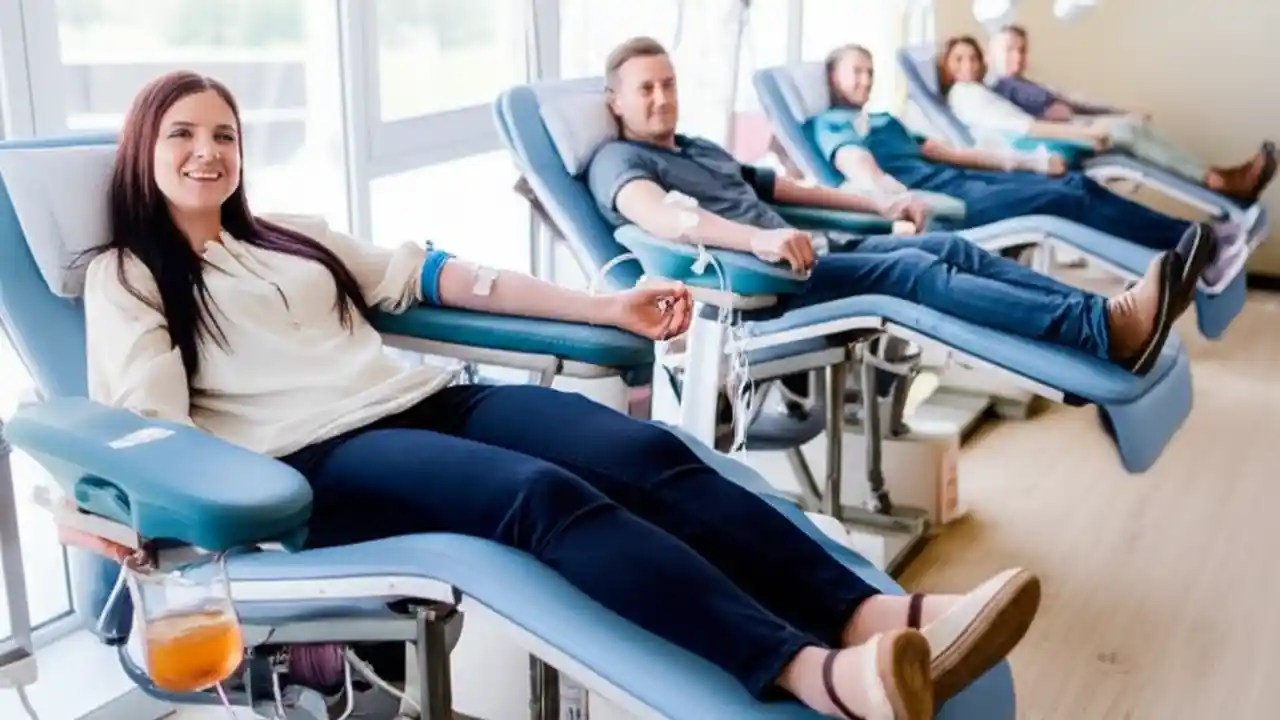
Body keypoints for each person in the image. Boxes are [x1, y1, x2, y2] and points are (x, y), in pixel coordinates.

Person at [75, 69, 1047, 720]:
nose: (208, 152)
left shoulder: (288, 234)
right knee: (536, 499)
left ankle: (874, 619)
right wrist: (100, 506)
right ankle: (812, 674)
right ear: (143, 149)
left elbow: (433, 277)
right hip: (310, 466)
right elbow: (149, 428)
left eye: (224, 135)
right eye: (182, 135)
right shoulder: (130, 272)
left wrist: (602, 304)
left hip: (424, 401)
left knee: (638, 452)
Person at [587, 37, 1210, 379]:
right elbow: (661, 217)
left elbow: (786, 189)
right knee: (916, 274)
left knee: (950, 248)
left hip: (809, 255)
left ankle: (1106, 316)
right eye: (646, 88)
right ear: (615, 101)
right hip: (759, 286)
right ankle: (1107, 332)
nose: (662, 97)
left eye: (668, 83)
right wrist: (755, 243)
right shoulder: (619, 161)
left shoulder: (697, 146)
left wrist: (872, 204)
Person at [809, 43, 1253, 292]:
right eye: (856, 72)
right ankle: (1202, 253)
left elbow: (950, 152)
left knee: (1072, 183)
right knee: (1062, 199)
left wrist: (1030, 161)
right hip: (948, 204)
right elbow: (858, 164)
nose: (865, 80)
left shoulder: (885, 118)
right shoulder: (829, 123)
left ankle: (1196, 242)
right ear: (832, 78)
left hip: (966, 180)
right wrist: (894, 200)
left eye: (869, 71)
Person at [940, 34, 1275, 204]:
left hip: (1043, 136)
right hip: (1038, 145)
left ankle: (1218, 177)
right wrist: (1082, 133)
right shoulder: (966, 95)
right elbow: (1023, 126)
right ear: (947, 66)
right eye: (959, 59)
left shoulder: (981, 89)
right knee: (1127, 130)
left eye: (973, 57)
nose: (968, 64)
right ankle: (1216, 180)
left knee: (1129, 127)